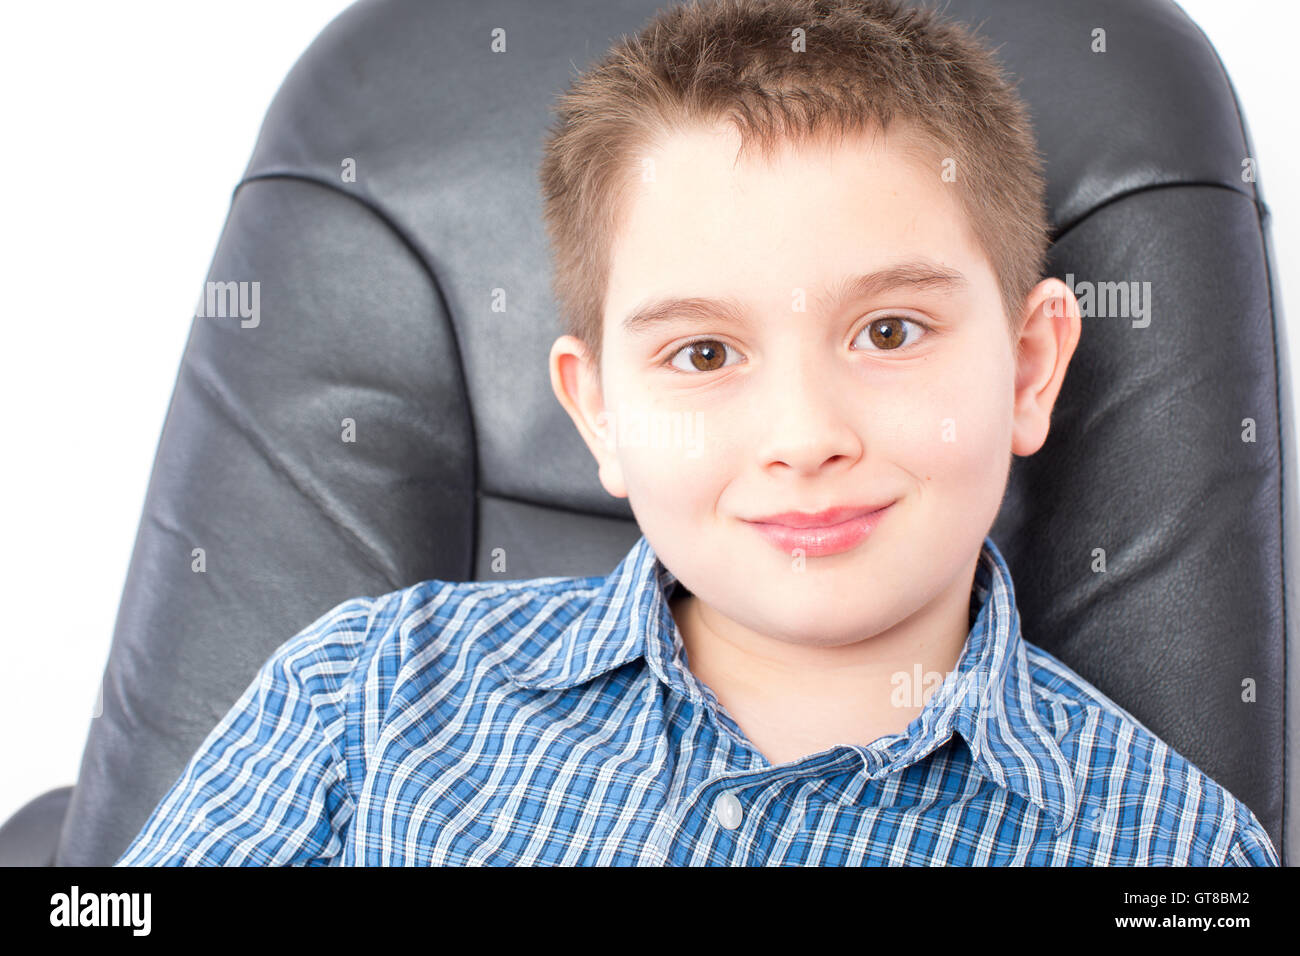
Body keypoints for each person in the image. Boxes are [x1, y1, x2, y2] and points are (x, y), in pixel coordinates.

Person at [114, 0, 1279, 866]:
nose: (804, 433)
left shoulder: (1175, 857)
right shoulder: (360, 703)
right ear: (599, 413)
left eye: (887, 329)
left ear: (1029, 368)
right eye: (705, 354)